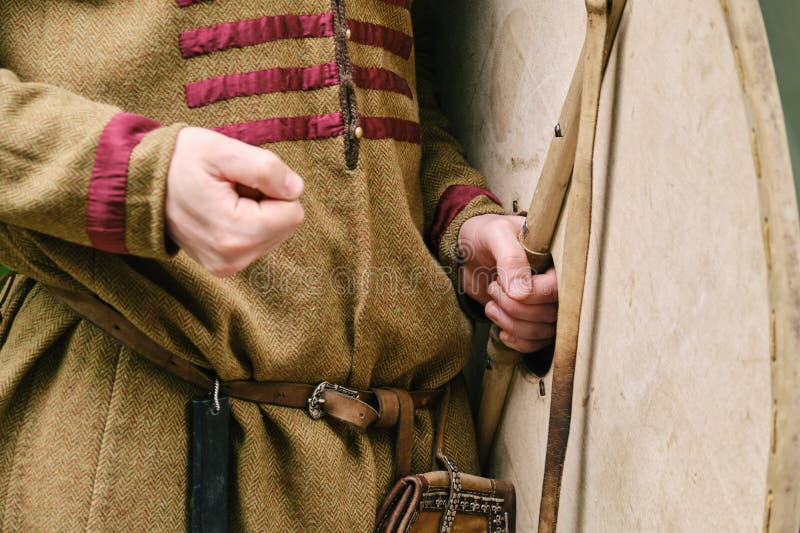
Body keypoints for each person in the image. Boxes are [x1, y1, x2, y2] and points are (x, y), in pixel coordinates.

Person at [0, 0, 557, 530]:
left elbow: (393, 77)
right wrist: (143, 178)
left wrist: (461, 225)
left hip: (417, 464)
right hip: (144, 444)